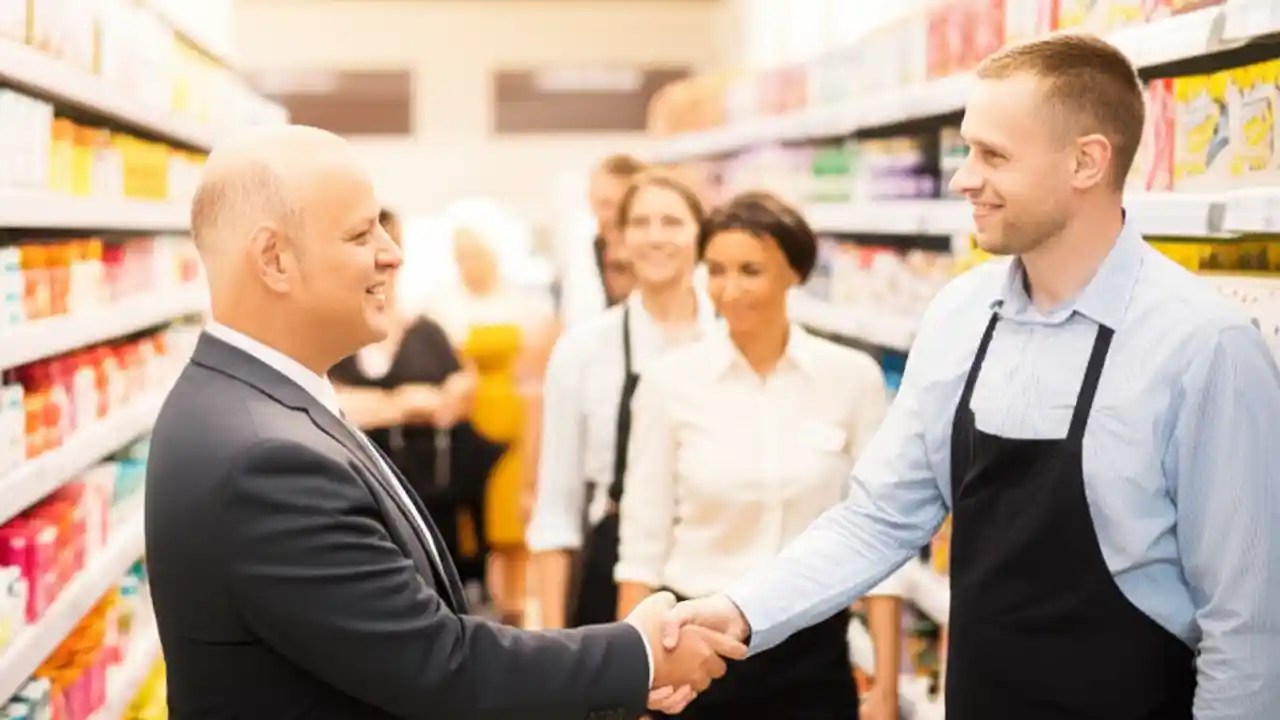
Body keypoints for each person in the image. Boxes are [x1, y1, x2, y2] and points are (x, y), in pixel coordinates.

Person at [660, 34, 1280, 720]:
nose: (963, 178)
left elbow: (1248, 629)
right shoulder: (961, 313)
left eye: (993, 155)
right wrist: (740, 610)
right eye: (966, 150)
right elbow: (880, 518)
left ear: (1086, 161)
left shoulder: (1204, 346)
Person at [143, 124, 745, 719]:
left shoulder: (256, 403)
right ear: (274, 260)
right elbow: (438, 664)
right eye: (361, 234)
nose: (393, 253)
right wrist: (637, 654)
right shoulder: (265, 459)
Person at [614, 192, 906, 720]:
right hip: (698, 652)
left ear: (795, 273)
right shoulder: (669, 383)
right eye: (716, 271)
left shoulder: (851, 379)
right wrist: (631, 683)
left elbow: (882, 533)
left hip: (814, 652)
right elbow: (642, 544)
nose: (729, 290)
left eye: (750, 271)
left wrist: (885, 684)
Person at [527, 171, 718, 631]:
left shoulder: (731, 345)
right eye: (640, 223)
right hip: (611, 573)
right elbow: (557, 511)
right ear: (619, 239)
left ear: (702, 235)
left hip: (720, 567)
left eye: (672, 222)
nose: (655, 237)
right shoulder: (583, 351)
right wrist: (554, 645)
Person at [329, 208, 498, 599]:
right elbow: (329, 404)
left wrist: (428, 401)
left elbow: (456, 399)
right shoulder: (333, 335)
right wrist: (402, 404)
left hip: (431, 506)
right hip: (357, 506)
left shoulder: (427, 332)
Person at [426, 225, 558, 626]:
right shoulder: (440, 306)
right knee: (473, 525)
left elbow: (541, 362)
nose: (471, 265)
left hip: (514, 424)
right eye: (462, 257)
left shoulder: (524, 304)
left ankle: (515, 612)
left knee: (512, 526)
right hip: (469, 427)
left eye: (476, 255)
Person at [590, 154, 647, 306]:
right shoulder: (593, 249)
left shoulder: (651, 258)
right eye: (604, 204)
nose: (612, 216)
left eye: (622, 205)